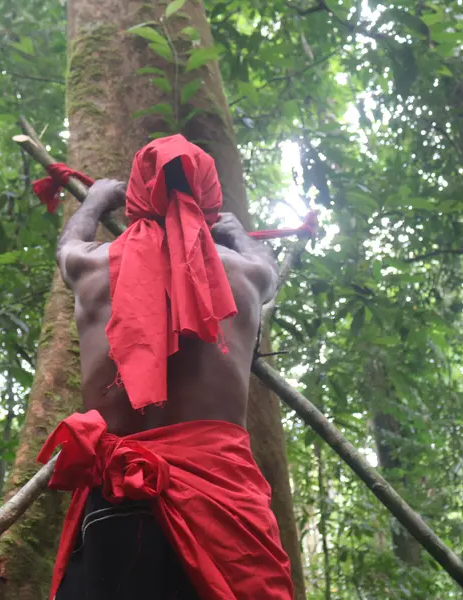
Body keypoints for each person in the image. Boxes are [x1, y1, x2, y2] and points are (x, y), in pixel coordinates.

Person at [37, 135, 294, 600]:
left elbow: (67, 247)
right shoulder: (248, 275)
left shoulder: (91, 267)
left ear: (133, 196)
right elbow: (268, 270)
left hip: (118, 499)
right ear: (211, 199)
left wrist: (94, 201)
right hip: (222, 504)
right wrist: (234, 234)